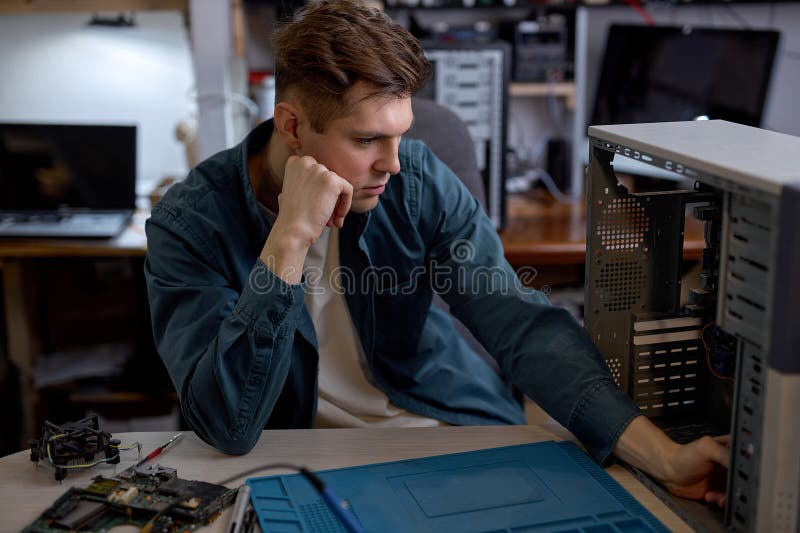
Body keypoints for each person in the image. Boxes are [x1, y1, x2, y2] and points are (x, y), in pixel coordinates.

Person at [144, 0, 728, 506]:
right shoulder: (190, 224)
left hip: (441, 431)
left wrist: (664, 458)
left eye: (400, 134)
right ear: (292, 127)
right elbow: (229, 424)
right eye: (367, 140)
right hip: (299, 459)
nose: (392, 164)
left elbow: (519, 323)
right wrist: (289, 239)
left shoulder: (417, 180)